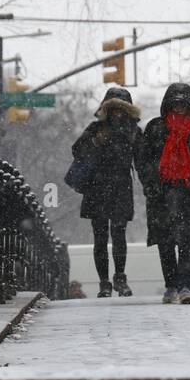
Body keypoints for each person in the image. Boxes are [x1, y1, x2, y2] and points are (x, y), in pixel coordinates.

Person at [135, 82, 190, 305]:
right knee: (165, 242)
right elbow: (142, 159)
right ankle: (171, 286)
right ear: (168, 104)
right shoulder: (156, 127)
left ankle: (185, 287)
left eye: (184, 104)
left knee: (187, 241)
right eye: (176, 103)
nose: (180, 108)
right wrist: (149, 182)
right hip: (161, 192)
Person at [71, 86, 143, 297]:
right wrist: (95, 142)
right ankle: (104, 282)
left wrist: (150, 184)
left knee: (118, 233)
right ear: (107, 109)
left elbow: (142, 160)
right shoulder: (96, 129)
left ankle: (120, 278)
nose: (117, 114)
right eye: (114, 109)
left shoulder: (133, 131)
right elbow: (77, 150)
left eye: (121, 109)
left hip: (121, 186)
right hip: (98, 187)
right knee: (100, 237)